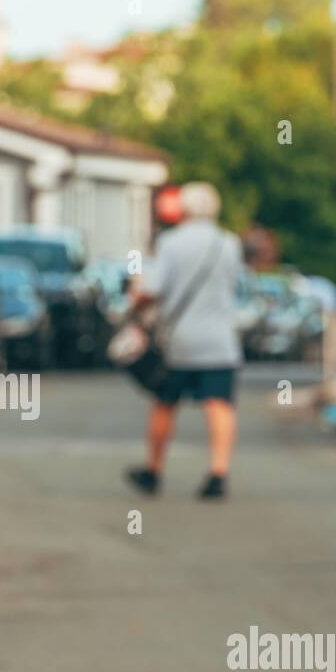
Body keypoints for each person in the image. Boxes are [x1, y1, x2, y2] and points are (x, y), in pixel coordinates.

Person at [125, 182, 243, 499]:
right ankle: (218, 472)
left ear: (184, 210)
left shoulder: (171, 243)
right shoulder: (229, 243)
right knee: (219, 405)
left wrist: (135, 302)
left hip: (179, 341)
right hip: (220, 339)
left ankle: (154, 470)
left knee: (165, 402)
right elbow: (236, 286)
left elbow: (154, 289)